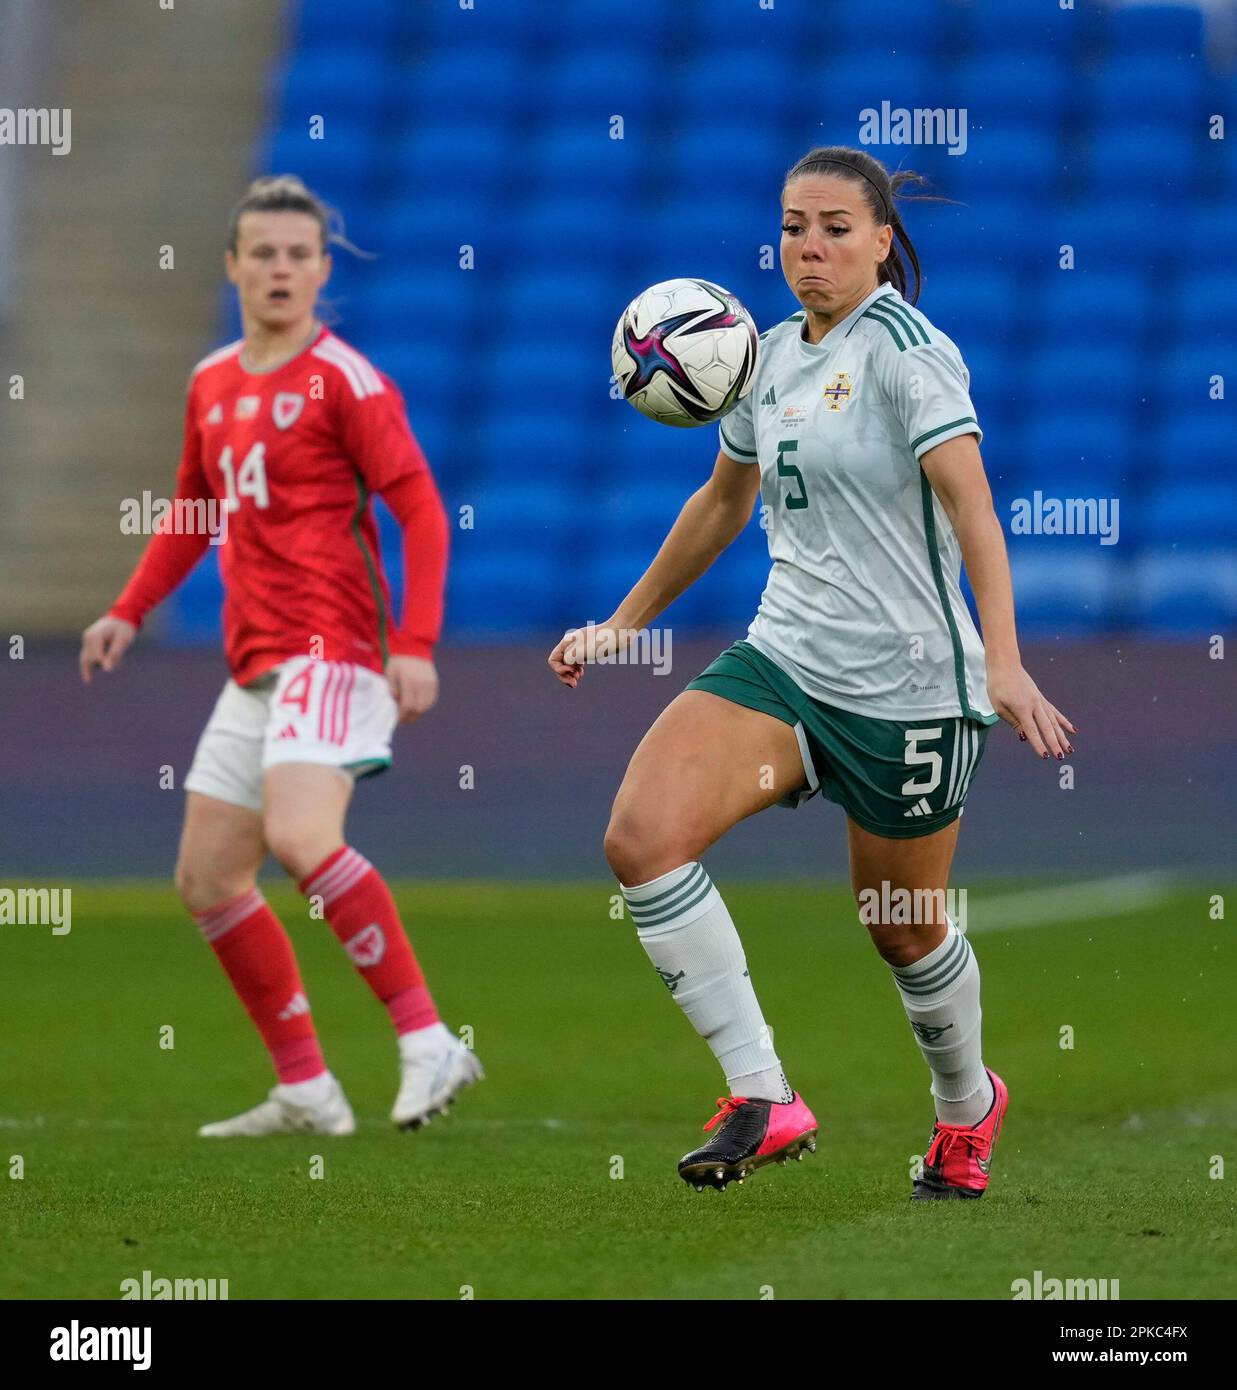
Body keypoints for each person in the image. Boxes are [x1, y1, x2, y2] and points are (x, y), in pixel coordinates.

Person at [548, 146, 1075, 1198]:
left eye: (835, 226)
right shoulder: (764, 356)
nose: (810, 248)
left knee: (902, 928)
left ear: (882, 238)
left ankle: (966, 1107)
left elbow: (974, 508)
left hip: (911, 687)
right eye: (793, 226)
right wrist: (621, 623)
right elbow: (721, 503)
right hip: (785, 662)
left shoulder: (909, 355)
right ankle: (763, 1091)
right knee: (641, 837)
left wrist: (1003, 663)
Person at [80, 175, 481, 1137]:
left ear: (322, 270)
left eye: (299, 254)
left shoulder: (345, 378)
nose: (280, 269)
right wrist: (129, 609)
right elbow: (193, 508)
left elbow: (420, 508)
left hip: (335, 650)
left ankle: (429, 1039)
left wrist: (415, 643)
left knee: (304, 840)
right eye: (262, 252)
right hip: (254, 662)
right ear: (231, 266)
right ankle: (306, 1086)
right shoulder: (212, 380)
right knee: (208, 880)